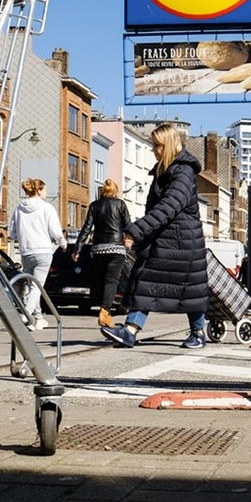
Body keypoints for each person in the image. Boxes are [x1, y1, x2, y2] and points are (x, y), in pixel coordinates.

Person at [100, 123, 210, 350]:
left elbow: (168, 207)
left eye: (157, 145)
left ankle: (198, 332)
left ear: (169, 144)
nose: (153, 150)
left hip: (183, 241)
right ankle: (130, 330)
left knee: (189, 288)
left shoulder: (183, 172)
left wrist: (135, 230)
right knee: (146, 282)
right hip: (165, 239)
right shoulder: (164, 170)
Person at [72, 178, 132, 329]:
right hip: (116, 248)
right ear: (115, 192)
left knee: (102, 281)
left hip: (98, 249)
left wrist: (77, 249)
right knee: (111, 281)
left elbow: (86, 228)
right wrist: (131, 240)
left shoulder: (94, 206)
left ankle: (106, 313)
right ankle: (105, 312)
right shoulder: (120, 204)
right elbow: (128, 225)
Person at [8, 178, 66, 331]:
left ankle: (38, 319)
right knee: (37, 286)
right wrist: (63, 243)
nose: (46, 192)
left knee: (32, 285)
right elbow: (55, 231)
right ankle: (26, 314)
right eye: (44, 189)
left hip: (26, 252)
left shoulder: (19, 208)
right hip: (43, 251)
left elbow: (12, 233)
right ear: (39, 190)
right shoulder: (47, 207)